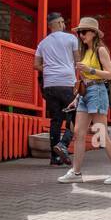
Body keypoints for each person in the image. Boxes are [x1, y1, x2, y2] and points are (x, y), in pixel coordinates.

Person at [58, 17, 111, 185]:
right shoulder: (85, 51)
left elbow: (110, 74)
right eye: (79, 32)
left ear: (94, 33)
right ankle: (76, 172)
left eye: (84, 31)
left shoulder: (100, 50)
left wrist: (89, 69)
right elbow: (84, 79)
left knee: (101, 133)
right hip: (85, 92)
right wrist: (77, 97)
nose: (81, 35)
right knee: (78, 133)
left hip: (97, 90)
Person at [33, 11, 78, 165]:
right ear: (59, 23)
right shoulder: (71, 39)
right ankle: (63, 145)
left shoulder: (43, 43)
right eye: (63, 22)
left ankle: (55, 158)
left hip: (50, 85)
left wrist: (50, 68)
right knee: (75, 119)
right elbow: (78, 61)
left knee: (55, 120)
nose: (64, 24)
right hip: (67, 83)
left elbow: (36, 65)